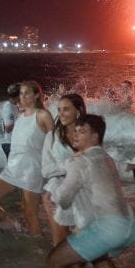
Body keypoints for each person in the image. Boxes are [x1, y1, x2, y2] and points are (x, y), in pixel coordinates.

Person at [47, 114, 135, 268]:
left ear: (95, 137)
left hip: (110, 228)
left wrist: (52, 194)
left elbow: (64, 199)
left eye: (81, 132)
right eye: (75, 131)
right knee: (98, 257)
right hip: (129, 224)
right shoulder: (106, 157)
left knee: (55, 261)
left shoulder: (81, 161)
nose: (75, 135)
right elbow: (129, 170)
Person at [0, 80, 54, 235]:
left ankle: (38, 248)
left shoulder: (42, 115)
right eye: (21, 93)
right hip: (12, 168)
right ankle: (10, 223)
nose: (22, 96)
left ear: (36, 95)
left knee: (30, 213)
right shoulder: (20, 116)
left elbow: (55, 143)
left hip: (32, 169)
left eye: (27, 93)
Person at [43, 93, 87, 246]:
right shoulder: (52, 137)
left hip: (85, 194)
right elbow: (46, 170)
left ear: (78, 111)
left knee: (87, 246)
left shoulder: (89, 135)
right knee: (61, 244)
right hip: (57, 193)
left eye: (66, 109)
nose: (61, 113)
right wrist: (70, 163)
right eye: (59, 109)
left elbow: (98, 162)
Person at [0, 83, 21, 159]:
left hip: (11, 143)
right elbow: (8, 128)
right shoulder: (8, 107)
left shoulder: (13, 106)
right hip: (9, 144)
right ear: (18, 95)